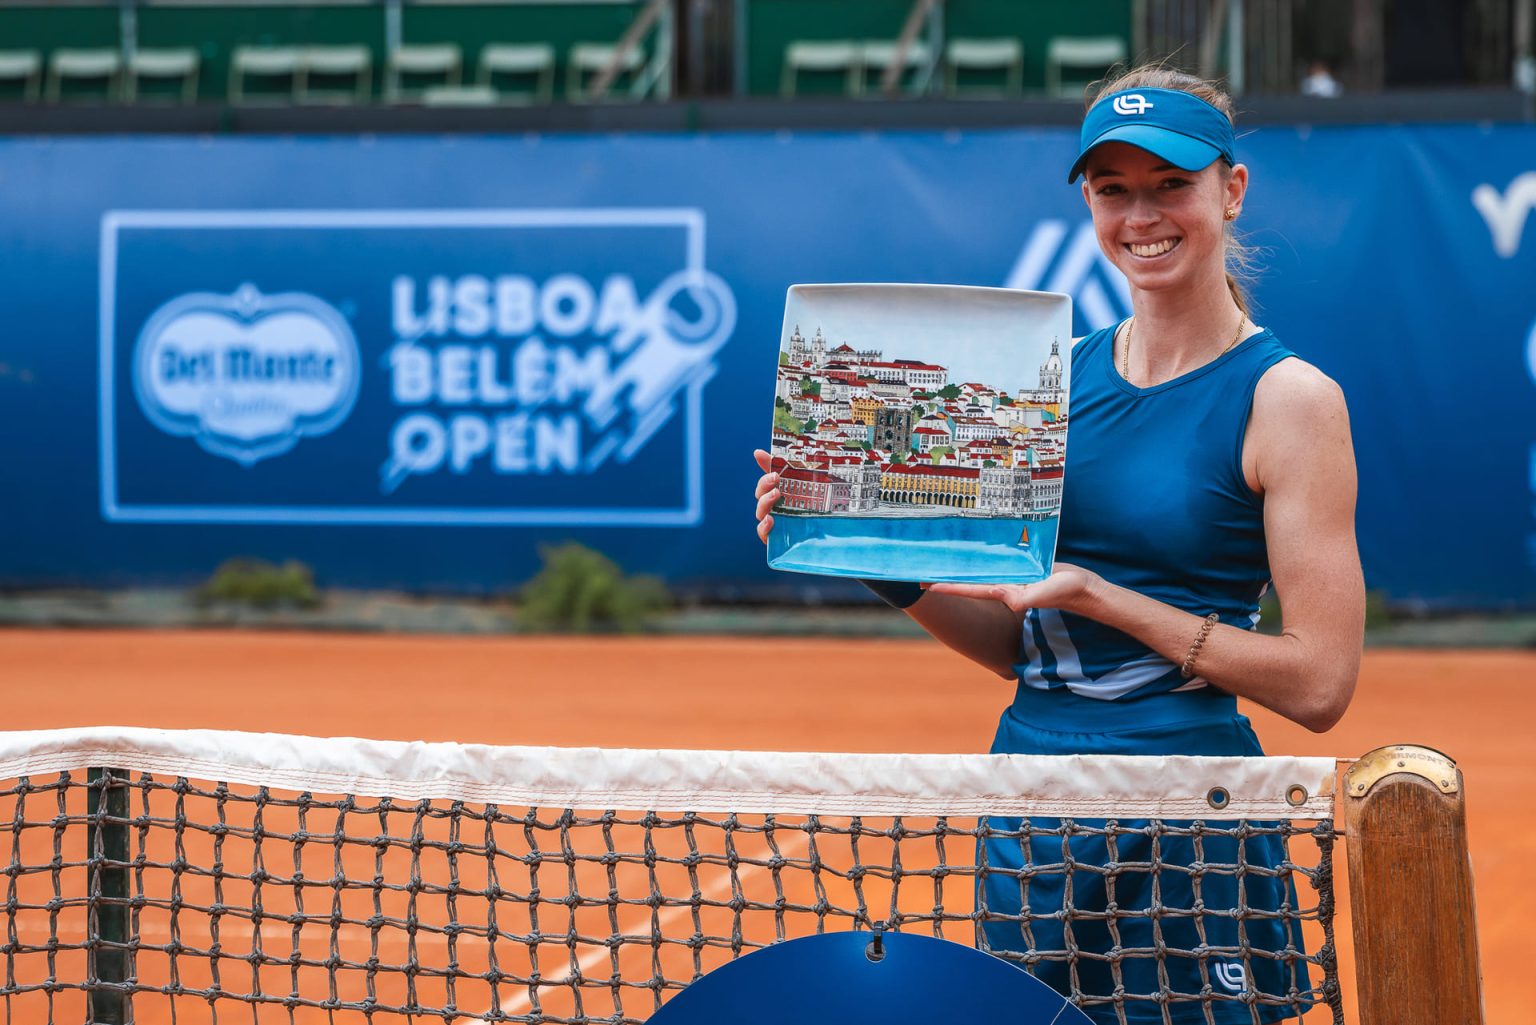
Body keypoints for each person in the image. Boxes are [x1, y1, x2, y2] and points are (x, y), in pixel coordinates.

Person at [751, 64, 1364, 1024]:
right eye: (1113, 189)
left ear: (1230, 189)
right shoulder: (1050, 383)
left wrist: (1103, 596)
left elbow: (1321, 685)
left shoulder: (1291, 400)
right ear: (1089, 200)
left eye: (1171, 184)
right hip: (1033, 793)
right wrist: (871, 557)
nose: (1141, 215)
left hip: (1187, 806)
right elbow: (1018, 648)